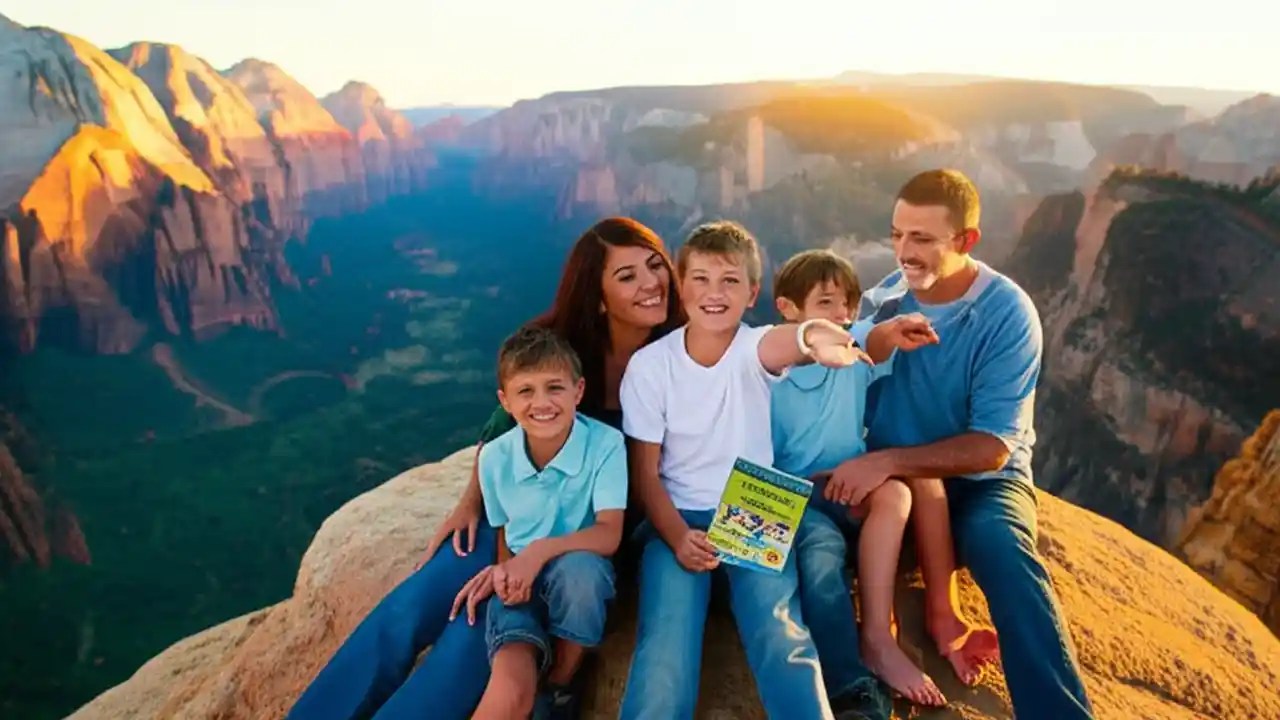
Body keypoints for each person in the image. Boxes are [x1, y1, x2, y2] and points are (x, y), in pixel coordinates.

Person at [286, 217, 685, 720]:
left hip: (591, 540)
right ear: (598, 296)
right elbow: (501, 430)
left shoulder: (686, 355)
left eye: (655, 266)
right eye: (626, 276)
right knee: (422, 596)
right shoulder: (558, 347)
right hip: (522, 516)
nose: (651, 283)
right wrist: (469, 502)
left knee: (470, 630)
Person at [828, 169, 1095, 718]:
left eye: (921, 238)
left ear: (966, 241)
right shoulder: (886, 301)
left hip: (979, 485)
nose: (903, 250)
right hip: (898, 491)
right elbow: (834, 367)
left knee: (1006, 552)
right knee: (810, 543)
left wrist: (888, 460)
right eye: (897, 234)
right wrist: (875, 342)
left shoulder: (1006, 314)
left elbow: (993, 447)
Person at [616, 220, 872, 720]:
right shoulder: (650, 367)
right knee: (666, 644)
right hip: (678, 516)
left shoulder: (752, 350)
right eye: (701, 279)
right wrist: (674, 535)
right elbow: (646, 475)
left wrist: (819, 338)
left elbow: (794, 338)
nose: (715, 293)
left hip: (754, 502)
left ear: (753, 291)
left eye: (730, 280)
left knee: (781, 633)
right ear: (680, 286)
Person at [769, 249, 947, 714]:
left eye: (847, 302)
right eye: (826, 303)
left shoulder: (853, 351)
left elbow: (879, 337)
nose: (841, 315)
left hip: (848, 488)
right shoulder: (769, 371)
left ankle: (877, 636)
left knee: (896, 492)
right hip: (792, 497)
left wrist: (898, 329)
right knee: (823, 549)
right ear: (788, 309)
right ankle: (845, 675)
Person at [450, 326, 627, 719]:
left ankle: (561, 681)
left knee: (582, 574)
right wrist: (505, 574)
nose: (542, 402)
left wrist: (539, 551)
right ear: (505, 402)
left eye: (554, 388)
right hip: (519, 576)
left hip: (577, 574)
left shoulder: (606, 445)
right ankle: (528, 679)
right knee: (511, 685)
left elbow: (609, 534)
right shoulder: (495, 458)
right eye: (525, 391)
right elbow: (504, 533)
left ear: (578, 392)